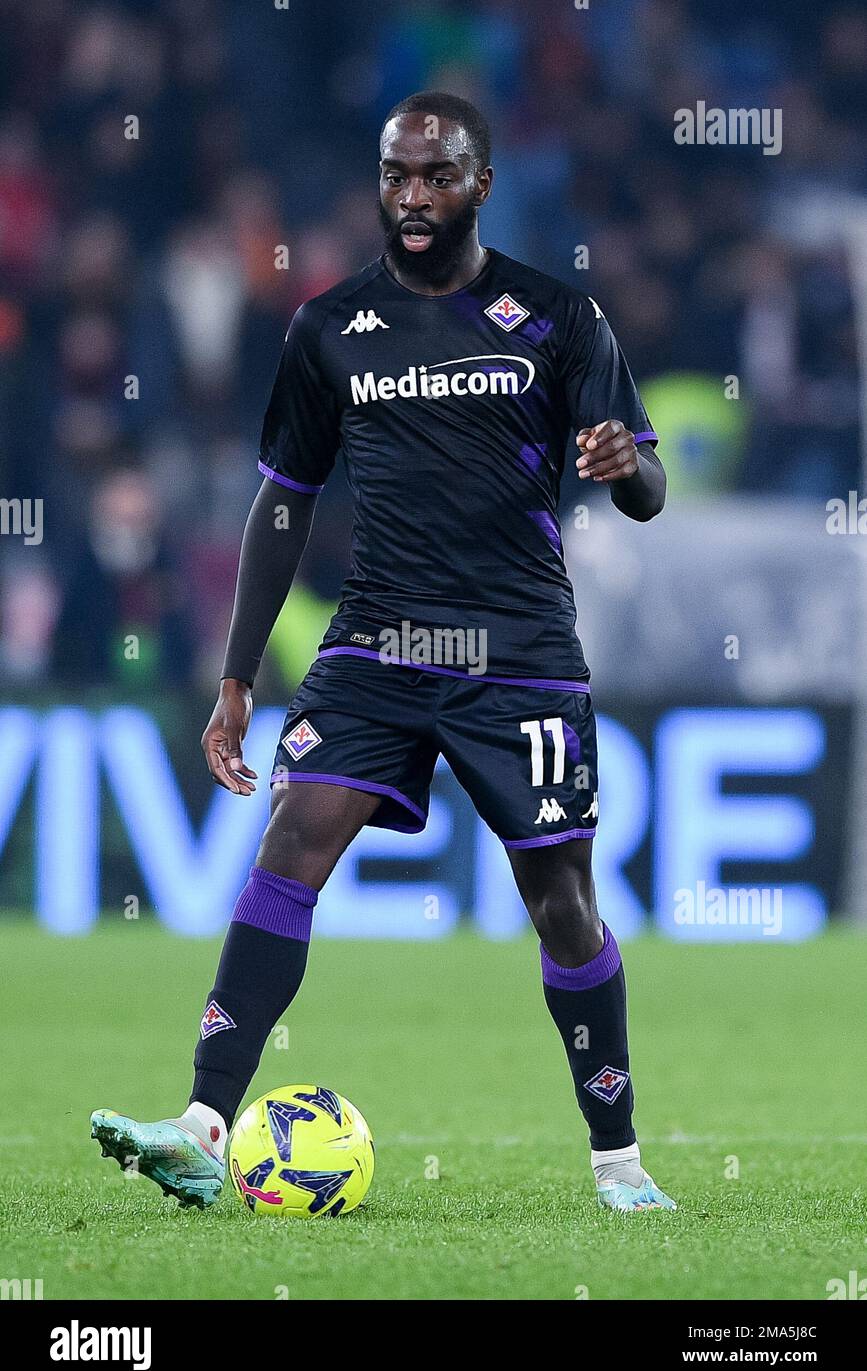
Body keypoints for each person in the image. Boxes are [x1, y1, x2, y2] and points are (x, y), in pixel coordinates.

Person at [92, 92, 674, 1214]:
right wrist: (235, 677)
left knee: (561, 901)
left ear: (481, 183)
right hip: (378, 639)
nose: (411, 198)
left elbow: (646, 490)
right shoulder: (327, 328)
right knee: (292, 836)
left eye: (435, 177)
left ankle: (618, 1158)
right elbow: (282, 505)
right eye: (395, 176)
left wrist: (621, 464)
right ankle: (205, 1125)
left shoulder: (559, 315)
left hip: (521, 649)